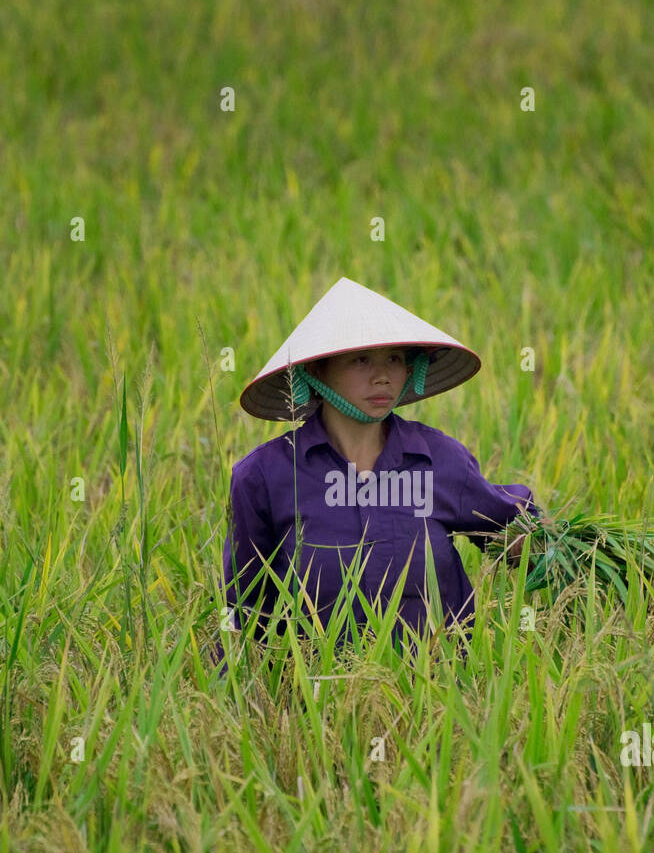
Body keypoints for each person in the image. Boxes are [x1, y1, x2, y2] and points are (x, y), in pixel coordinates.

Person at [214, 277, 539, 670]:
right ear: (318, 370)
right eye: (361, 360)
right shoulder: (264, 476)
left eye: (394, 360)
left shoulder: (440, 460)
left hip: (439, 703)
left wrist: (578, 552)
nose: (382, 376)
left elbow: (513, 529)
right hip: (312, 709)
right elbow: (242, 604)